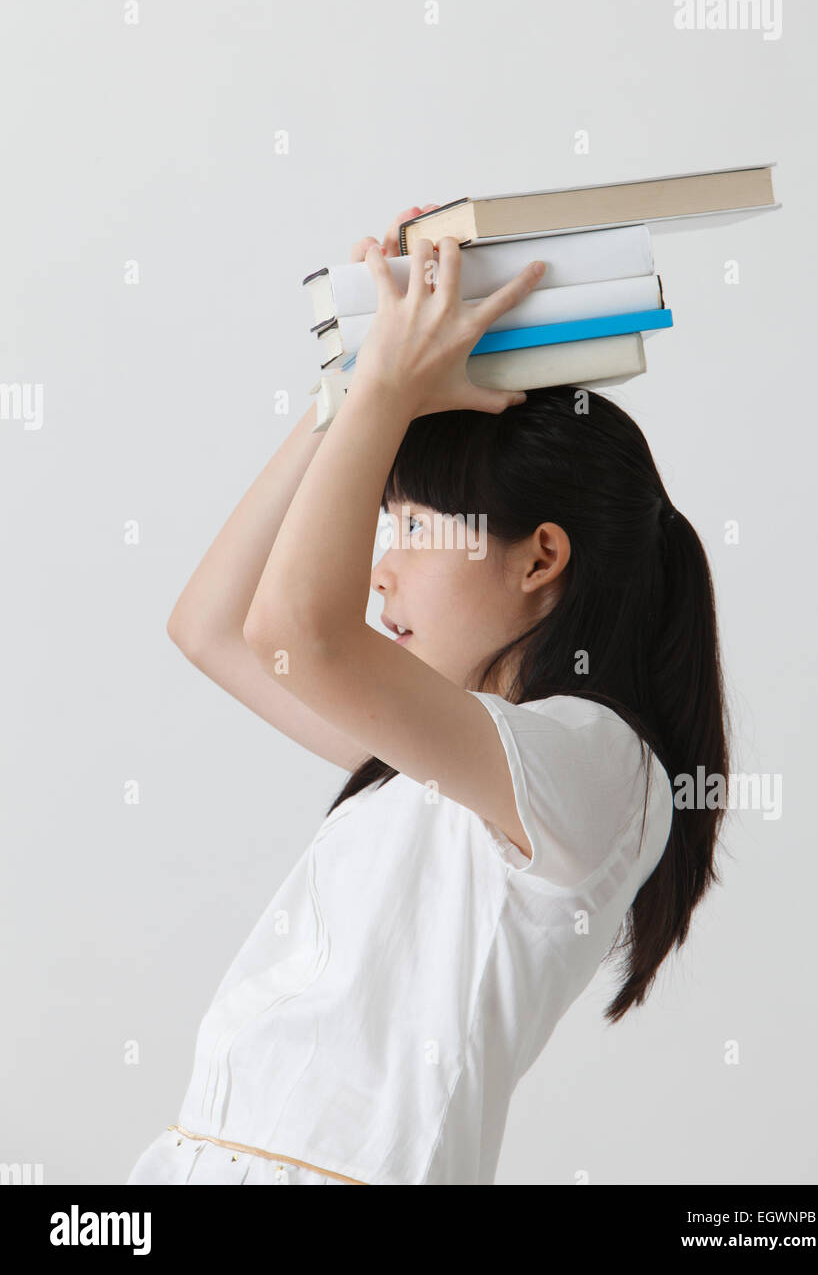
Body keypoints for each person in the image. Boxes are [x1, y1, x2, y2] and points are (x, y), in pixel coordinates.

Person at [126, 204, 730, 1187]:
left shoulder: (596, 763)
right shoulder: (430, 764)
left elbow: (297, 633)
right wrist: (344, 392)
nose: (381, 573)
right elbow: (214, 627)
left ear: (540, 556)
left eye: (412, 528)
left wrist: (384, 394)